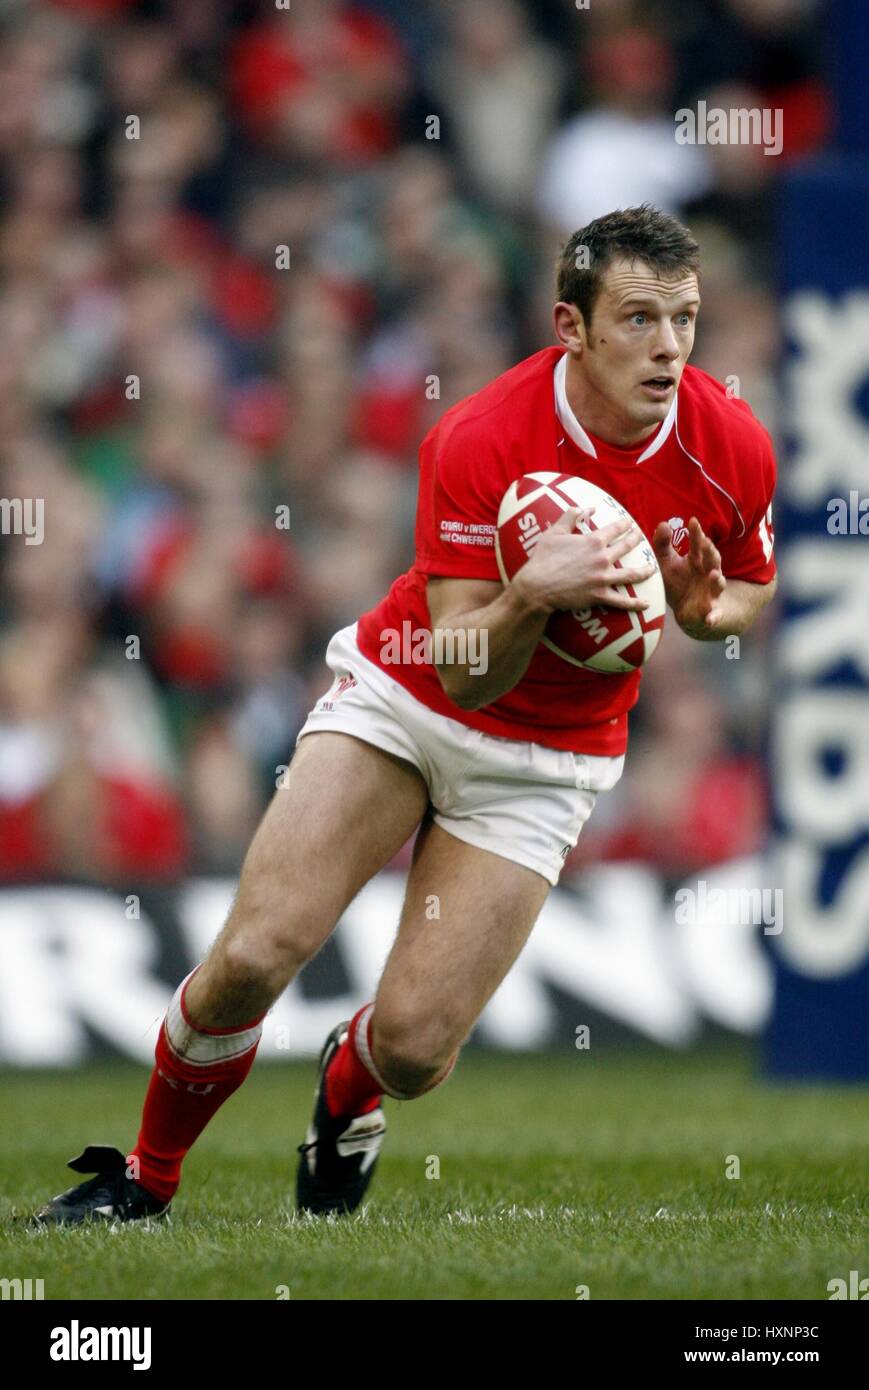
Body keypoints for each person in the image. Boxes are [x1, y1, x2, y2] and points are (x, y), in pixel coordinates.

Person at [35, 206, 777, 1224]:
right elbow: (462, 664)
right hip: (408, 697)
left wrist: (706, 611)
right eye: (638, 319)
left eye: (683, 319)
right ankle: (144, 1179)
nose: (668, 348)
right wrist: (531, 591)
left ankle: (349, 1084)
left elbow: (745, 584)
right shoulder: (478, 435)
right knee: (250, 959)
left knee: (416, 1051)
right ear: (570, 325)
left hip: (547, 759)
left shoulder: (727, 440)